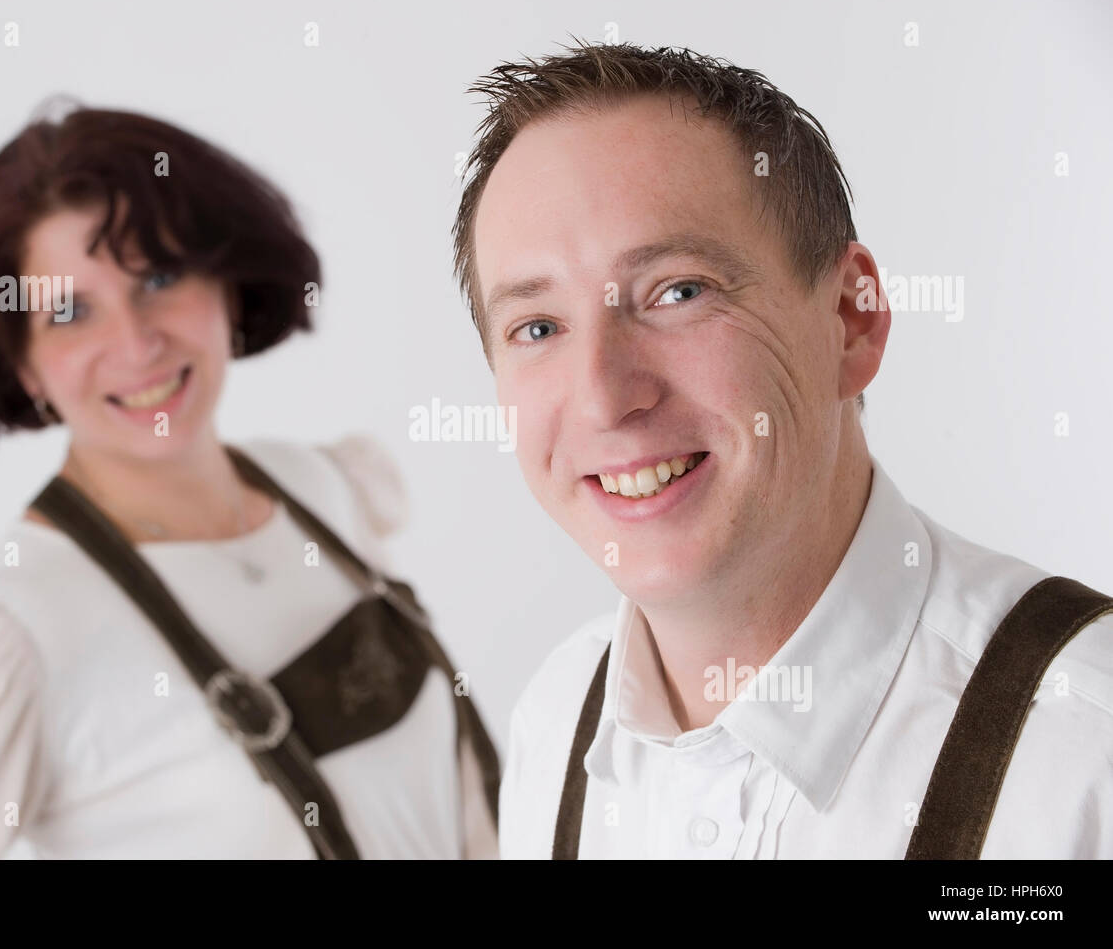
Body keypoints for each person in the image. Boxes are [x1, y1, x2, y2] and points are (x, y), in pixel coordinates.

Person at [450, 41, 1113, 858]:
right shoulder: (553, 724)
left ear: (851, 318)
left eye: (678, 291)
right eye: (538, 327)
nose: (603, 396)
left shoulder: (1088, 750)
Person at [0, 103, 498, 859]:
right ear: (25, 364)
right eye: (71, 312)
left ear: (229, 284)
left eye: (160, 277)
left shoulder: (322, 488)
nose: (135, 342)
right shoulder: (14, 638)